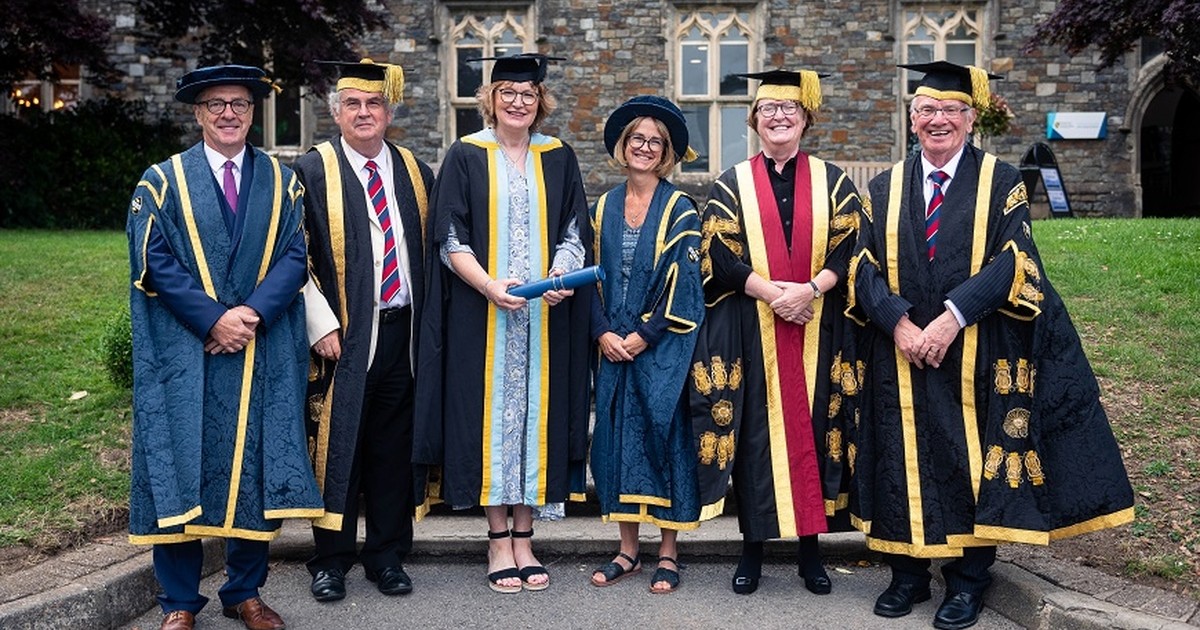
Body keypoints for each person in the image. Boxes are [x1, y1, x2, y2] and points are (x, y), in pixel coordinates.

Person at [847, 61, 1135, 630]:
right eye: (926, 110)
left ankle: (967, 581)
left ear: (971, 118)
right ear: (912, 120)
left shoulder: (1002, 182)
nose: (938, 120)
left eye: (951, 110)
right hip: (900, 351)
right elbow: (861, 266)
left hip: (975, 347)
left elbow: (1016, 260)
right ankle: (908, 575)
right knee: (904, 458)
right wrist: (899, 323)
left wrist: (952, 318)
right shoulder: (882, 188)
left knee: (969, 459)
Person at [125, 64, 324, 630]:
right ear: (197, 113)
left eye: (238, 103)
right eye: (216, 104)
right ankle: (179, 604)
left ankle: (244, 593)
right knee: (179, 467)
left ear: (252, 111)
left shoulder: (282, 181)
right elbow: (152, 260)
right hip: (188, 353)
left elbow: (294, 255)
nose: (228, 113)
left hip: (259, 348)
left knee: (254, 469)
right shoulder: (161, 181)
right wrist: (215, 320)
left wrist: (251, 315)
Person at [413, 53, 591, 594]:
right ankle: (497, 540)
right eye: (508, 93)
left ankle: (526, 537)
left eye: (528, 94)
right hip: (481, 314)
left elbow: (575, 229)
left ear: (541, 102)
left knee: (537, 419)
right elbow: (449, 237)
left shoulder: (559, 157)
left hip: (542, 320)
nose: (518, 102)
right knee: (488, 420)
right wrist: (490, 286)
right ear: (490, 98)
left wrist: (561, 274)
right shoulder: (466, 155)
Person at [690, 69, 862, 596]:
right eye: (769, 110)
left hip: (816, 326)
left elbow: (850, 249)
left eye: (789, 109)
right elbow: (718, 254)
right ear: (755, 121)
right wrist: (775, 295)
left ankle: (812, 553)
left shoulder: (833, 181)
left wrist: (809, 289)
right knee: (756, 438)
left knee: (812, 430)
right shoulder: (731, 182)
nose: (779, 117)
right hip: (754, 326)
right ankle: (752, 550)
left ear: (806, 118)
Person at [294, 59, 435, 603]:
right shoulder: (311, 171)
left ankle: (386, 555)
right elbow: (290, 255)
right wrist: (319, 322)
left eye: (374, 103)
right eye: (352, 104)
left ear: (388, 111)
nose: (364, 112)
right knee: (339, 446)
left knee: (392, 446)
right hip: (344, 336)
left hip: (403, 332)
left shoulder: (415, 171)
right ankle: (330, 560)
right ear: (336, 113)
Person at [587, 96, 705, 594]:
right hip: (612, 343)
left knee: (666, 439)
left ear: (668, 153)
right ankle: (628, 550)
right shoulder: (603, 206)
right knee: (616, 440)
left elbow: (687, 281)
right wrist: (602, 331)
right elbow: (589, 278)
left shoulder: (681, 207)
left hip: (661, 345)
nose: (645, 147)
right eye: (637, 138)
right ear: (623, 145)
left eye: (655, 142)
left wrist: (643, 335)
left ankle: (669, 552)